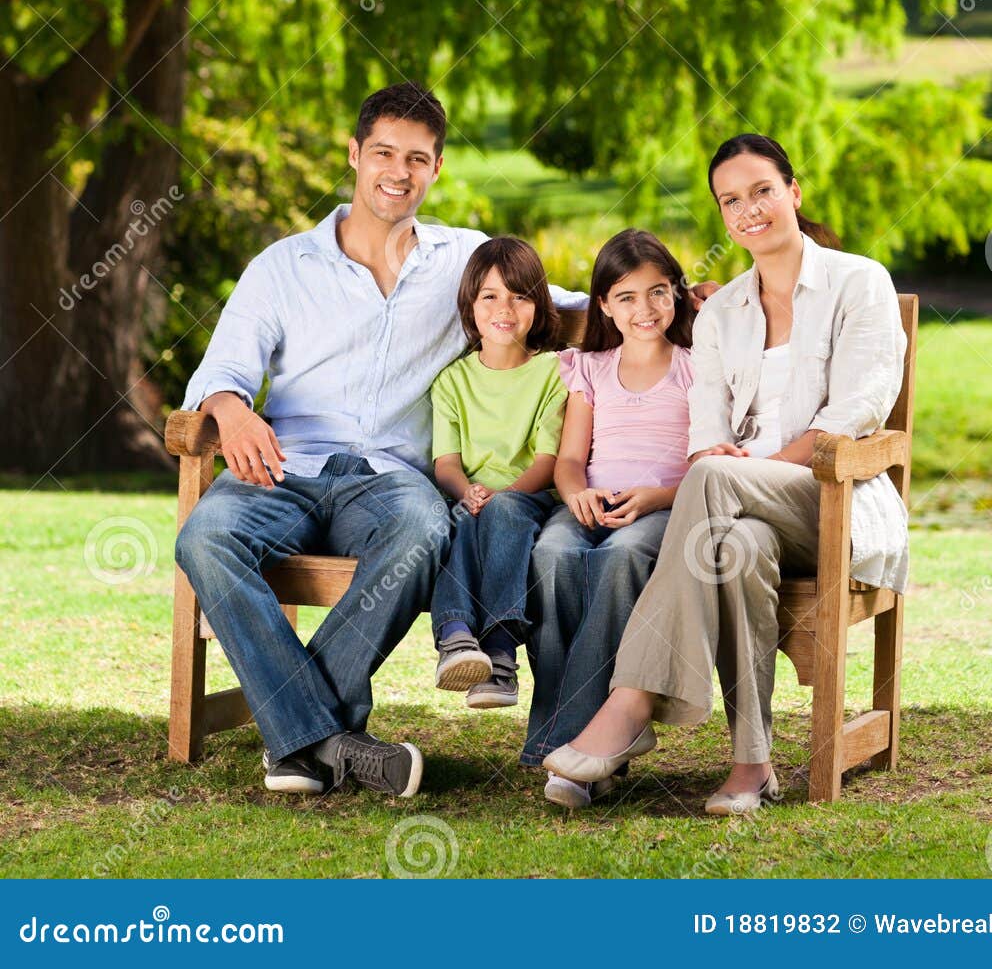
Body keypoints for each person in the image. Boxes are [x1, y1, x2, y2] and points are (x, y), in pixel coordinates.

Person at [173, 80, 590, 798]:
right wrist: (231, 410)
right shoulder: (283, 266)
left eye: (419, 159)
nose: (399, 172)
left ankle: (299, 742)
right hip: (285, 463)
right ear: (355, 155)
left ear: (437, 169)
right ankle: (331, 741)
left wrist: (679, 301)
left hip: (393, 479)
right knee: (203, 537)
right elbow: (222, 370)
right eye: (385, 153)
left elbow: (568, 308)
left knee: (425, 532)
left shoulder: (465, 260)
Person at [544, 132, 908, 816]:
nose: (750, 209)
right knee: (736, 545)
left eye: (763, 191)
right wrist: (729, 473)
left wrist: (751, 472)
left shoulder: (859, 283)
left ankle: (629, 703)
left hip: (834, 502)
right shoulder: (721, 316)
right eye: (731, 200)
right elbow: (706, 434)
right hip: (737, 516)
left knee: (713, 482)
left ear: (793, 193)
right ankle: (751, 768)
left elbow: (853, 417)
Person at [523, 230, 694, 810]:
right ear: (603, 305)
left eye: (658, 292)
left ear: (677, 295)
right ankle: (591, 740)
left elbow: (704, 467)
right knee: (551, 554)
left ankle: (568, 744)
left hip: (662, 507)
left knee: (621, 557)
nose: (644, 309)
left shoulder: (696, 369)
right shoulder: (590, 369)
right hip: (592, 501)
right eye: (626, 296)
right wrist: (574, 497)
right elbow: (569, 461)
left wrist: (655, 498)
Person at [430, 237, 567, 711]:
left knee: (500, 511)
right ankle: (456, 638)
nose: (504, 308)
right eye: (490, 296)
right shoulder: (452, 382)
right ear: (470, 306)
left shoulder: (554, 373)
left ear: (539, 305)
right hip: (471, 498)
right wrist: (467, 491)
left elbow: (548, 461)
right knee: (460, 519)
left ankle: (502, 656)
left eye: (519, 295)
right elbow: (445, 463)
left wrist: (500, 495)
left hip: (529, 498)